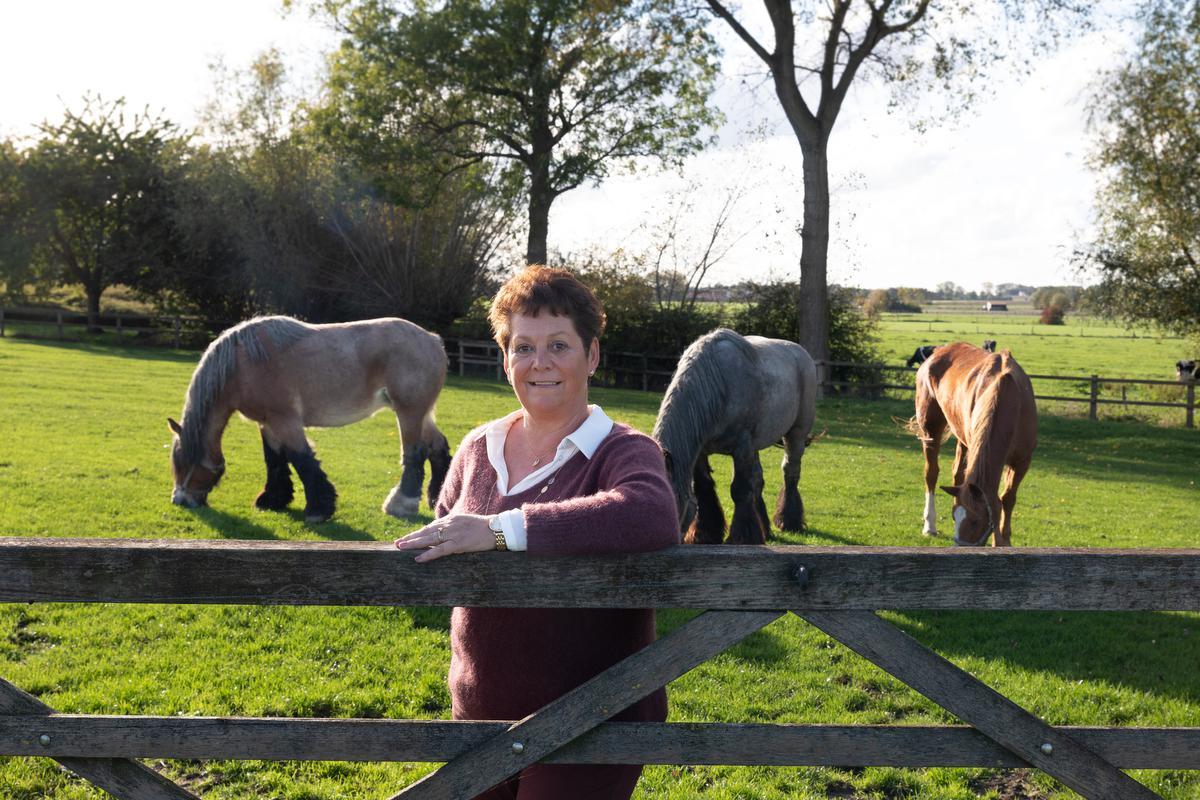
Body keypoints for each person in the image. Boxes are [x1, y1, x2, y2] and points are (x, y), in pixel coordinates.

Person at [395, 265, 679, 799]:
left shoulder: (623, 449)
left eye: (558, 345)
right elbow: (446, 529)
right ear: (505, 360)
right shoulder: (478, 448)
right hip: (477, 715)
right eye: (522, 347)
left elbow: (649, 514)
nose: (540, 363)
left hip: (591, 720)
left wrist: (501, 529)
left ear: (591, 355)